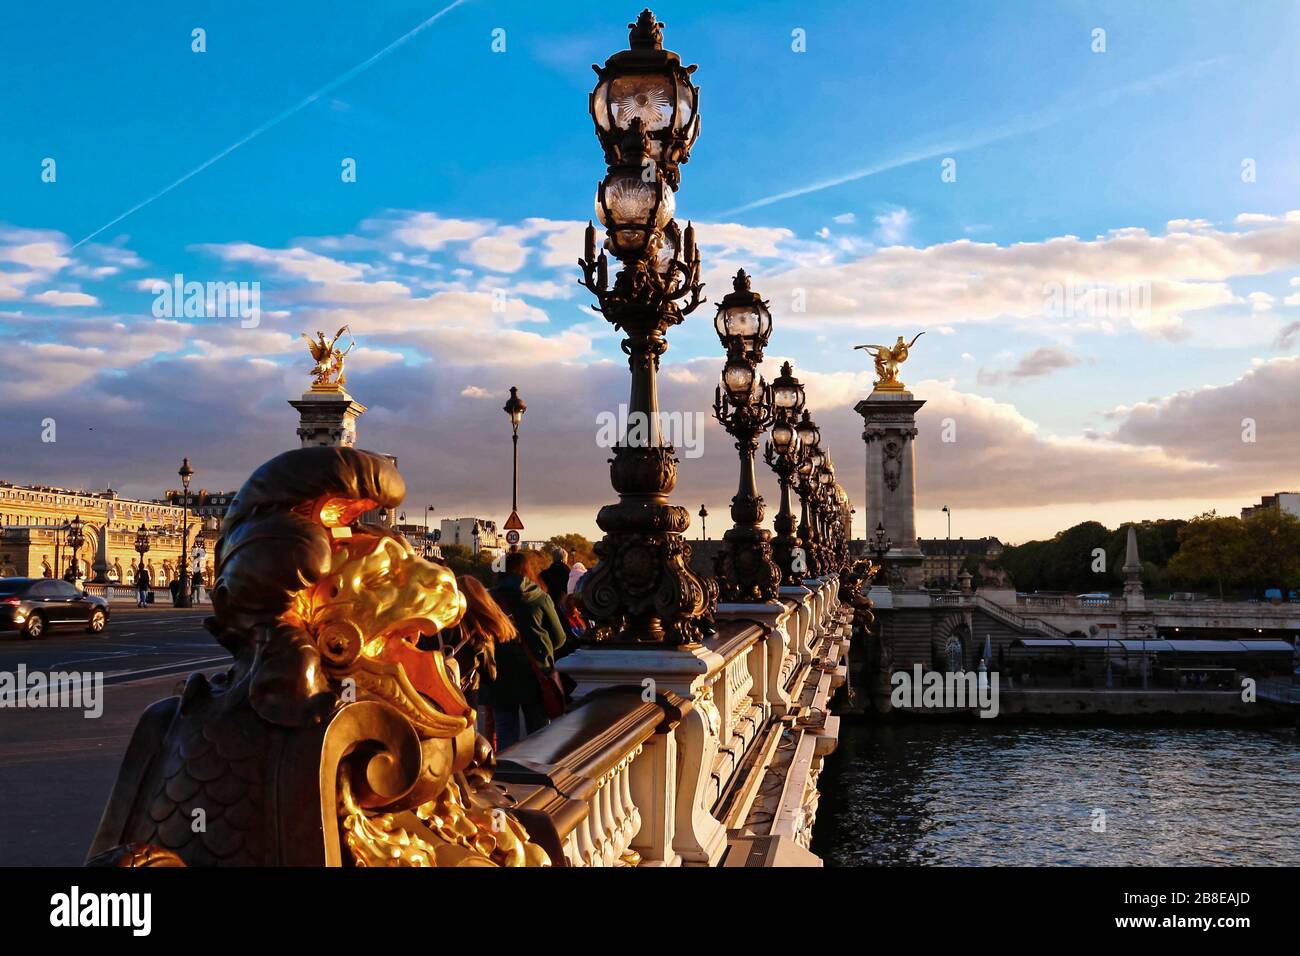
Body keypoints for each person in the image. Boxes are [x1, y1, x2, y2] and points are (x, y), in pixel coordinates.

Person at [486, 550, 567, 751]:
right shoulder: (540, 598)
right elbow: (559, 637)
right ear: (527, 570)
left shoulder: (490, 600)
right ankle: (534, 774)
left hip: (500, 673)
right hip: (536, 673)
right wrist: (542, 650)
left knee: (506, 732)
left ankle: (507, 774)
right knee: (538, 734)